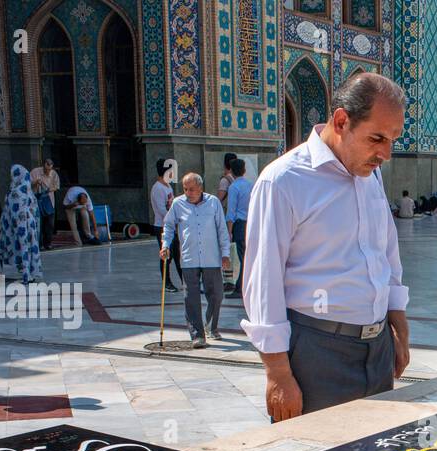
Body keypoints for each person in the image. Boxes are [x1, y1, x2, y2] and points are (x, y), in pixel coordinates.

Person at [240, 71, 411, 420]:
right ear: (341, 121)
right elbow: (264, 282)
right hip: (316, 354)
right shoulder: (284, 181)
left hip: (376, 351)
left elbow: (386, 253)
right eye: (376, 138)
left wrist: (398, 326)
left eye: (392, 140)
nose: (386, 154)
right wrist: (278, 374)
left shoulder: (369, 175)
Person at [163, 172, 230, 347]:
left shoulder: (213, 202)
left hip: (211, 257)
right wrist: (165, 245)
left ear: (200, 188)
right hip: (189, 257)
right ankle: (197, 335)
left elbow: (222, 229)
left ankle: (210, 325)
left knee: (216, 295)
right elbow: (169, 226)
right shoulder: (178, 204)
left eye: (191, 189)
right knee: (190, 298)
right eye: (185, 189)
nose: (188, 192)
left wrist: (225, 254)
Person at [0, 164, 44, 284]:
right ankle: (29, 274)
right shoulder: (28, 190)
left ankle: (25, 275)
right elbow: (35, 211)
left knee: (22, 248)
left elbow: (13, 211)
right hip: (30, 224)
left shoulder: (15, 191)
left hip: (19, 224)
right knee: (28, 248)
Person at [149, 160, 182, 291]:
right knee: (167, 255)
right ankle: (166, 283)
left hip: (172, 226)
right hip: (162, 226)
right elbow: (162, 210)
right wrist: (174, 220)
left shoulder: (168, 186)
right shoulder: (157, 188)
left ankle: (186, 282)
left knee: (178, 255)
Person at [224, 157, 253, 299]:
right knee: (247, 255)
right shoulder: (251, 185)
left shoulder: (234, 187)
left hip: (239, 224)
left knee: (242, 257)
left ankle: (240, 288)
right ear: (244, 170)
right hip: (250, 223)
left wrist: (228, 230)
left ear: (231, 171)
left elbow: (231, 212)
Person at [30, 158, 59, 250]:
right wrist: (36, 182)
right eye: (46, 169)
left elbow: (57, 187)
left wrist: (48, 190)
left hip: (49, 201)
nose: (48, 171)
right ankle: (40, 244)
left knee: (50, 224)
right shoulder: (35, 172)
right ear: (43, 165)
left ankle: (48, 243)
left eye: (50, 169)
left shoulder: (54, 174)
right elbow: (28, 184)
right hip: (37, 201)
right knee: (40, 224)